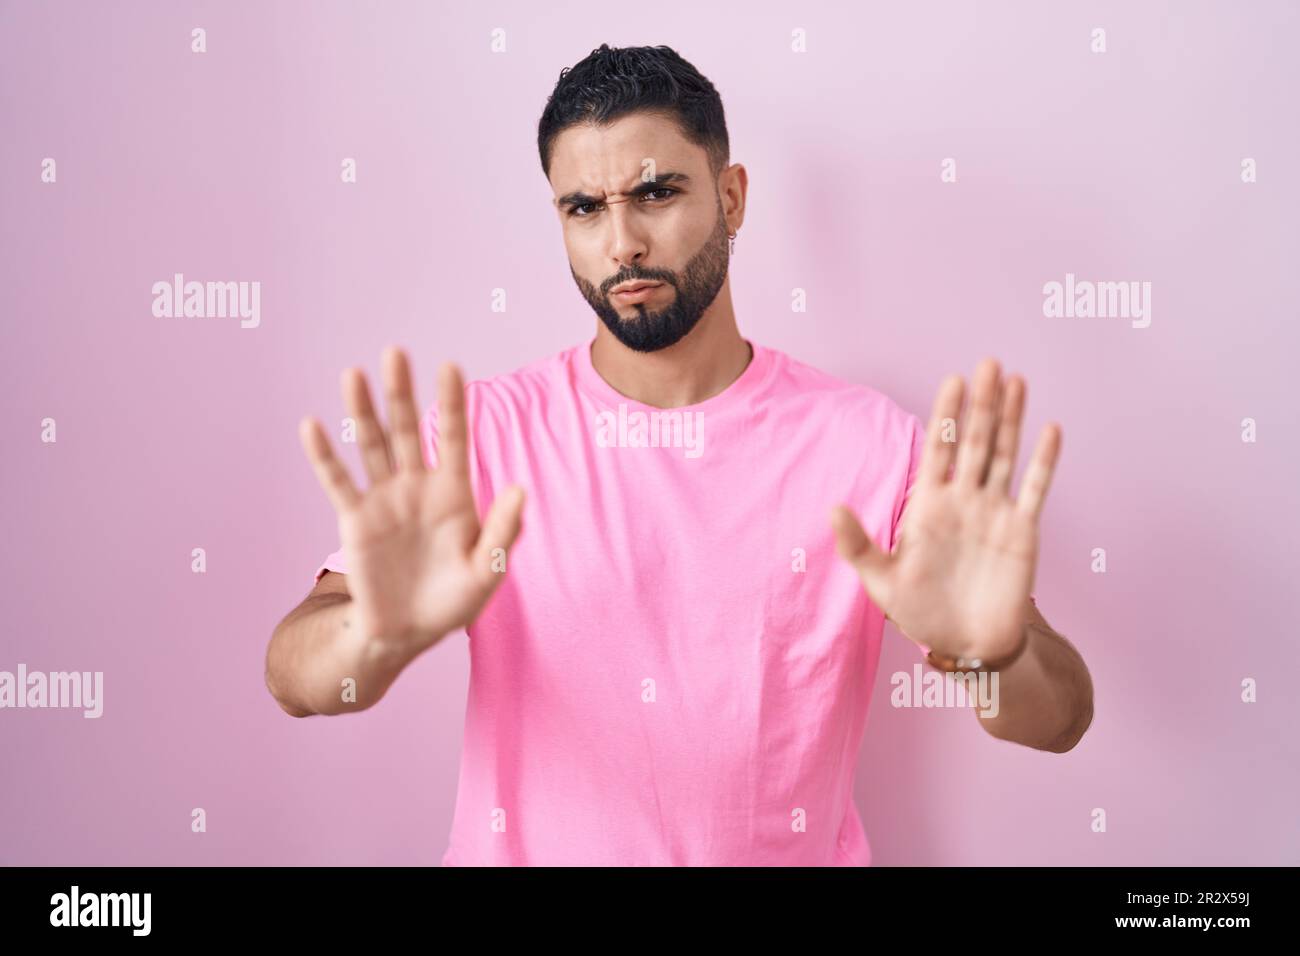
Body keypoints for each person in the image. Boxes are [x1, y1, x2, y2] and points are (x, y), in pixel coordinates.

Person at [264, 43, 1093, 866]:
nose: (621, 242)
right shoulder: (481, 438)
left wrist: (993, 656)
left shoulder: (872, 447)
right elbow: (296, 679)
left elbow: (1058, 721)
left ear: (731, 198)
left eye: (656, 193)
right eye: (584, 208)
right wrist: (372, 633)